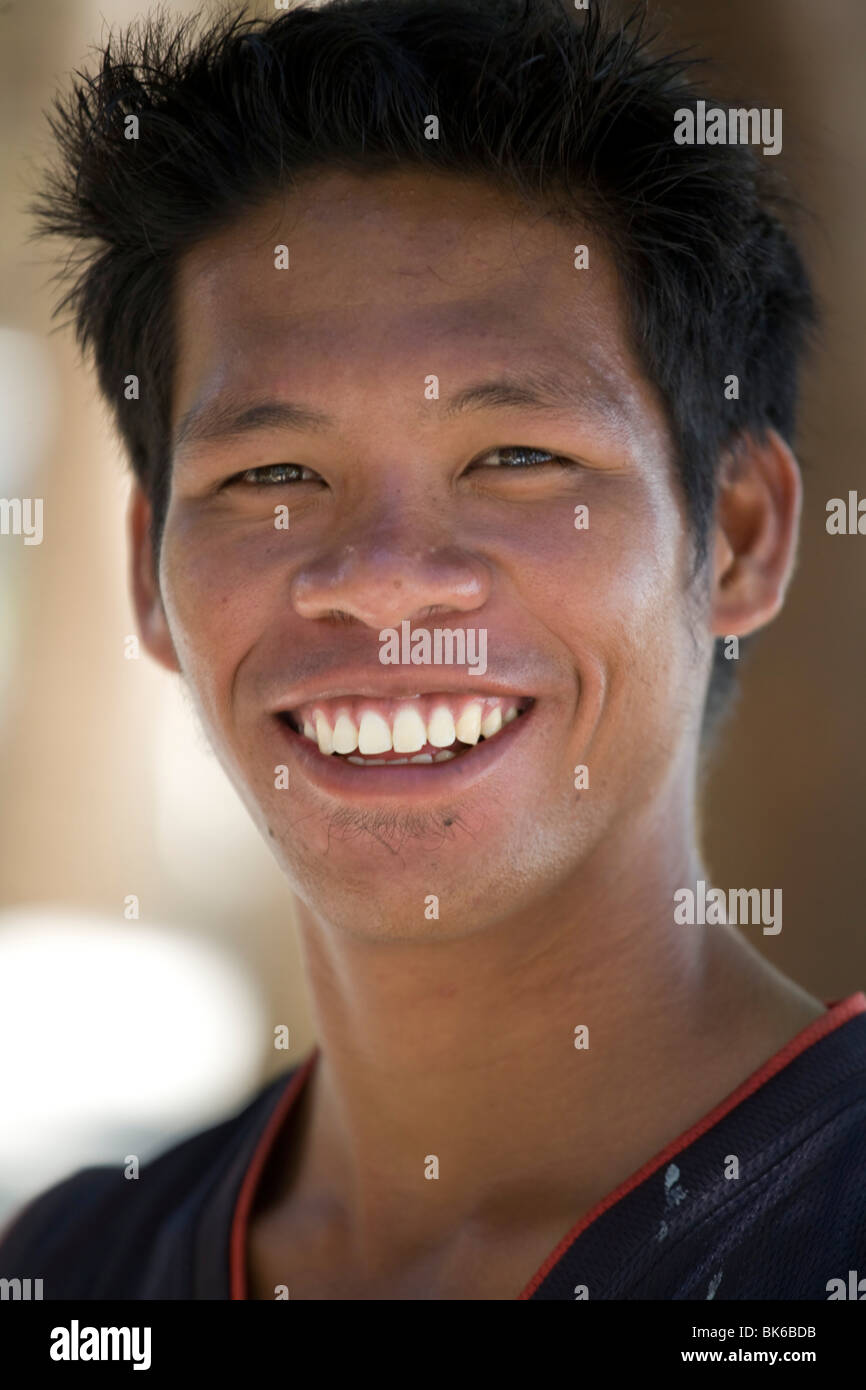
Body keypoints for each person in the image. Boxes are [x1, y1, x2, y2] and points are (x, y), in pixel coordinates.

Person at [2, 0, 864, 1301]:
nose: (382, 578)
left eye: (516, 457)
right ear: (147, 571)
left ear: (737, 537)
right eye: (275, 472)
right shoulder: (81, 1271)